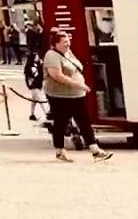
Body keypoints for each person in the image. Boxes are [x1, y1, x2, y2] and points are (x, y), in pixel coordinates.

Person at [43, 30, 112, 162]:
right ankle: (60, 151)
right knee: (60, 123)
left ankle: (95, 150)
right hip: (60, 96)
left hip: (76, 94)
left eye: (68, 41)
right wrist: (78, 84)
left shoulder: (68, 53)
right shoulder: (51, 56)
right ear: (56, 44)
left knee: (84, 121)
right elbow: (57, 76)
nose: (68, 44)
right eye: (64, 42)